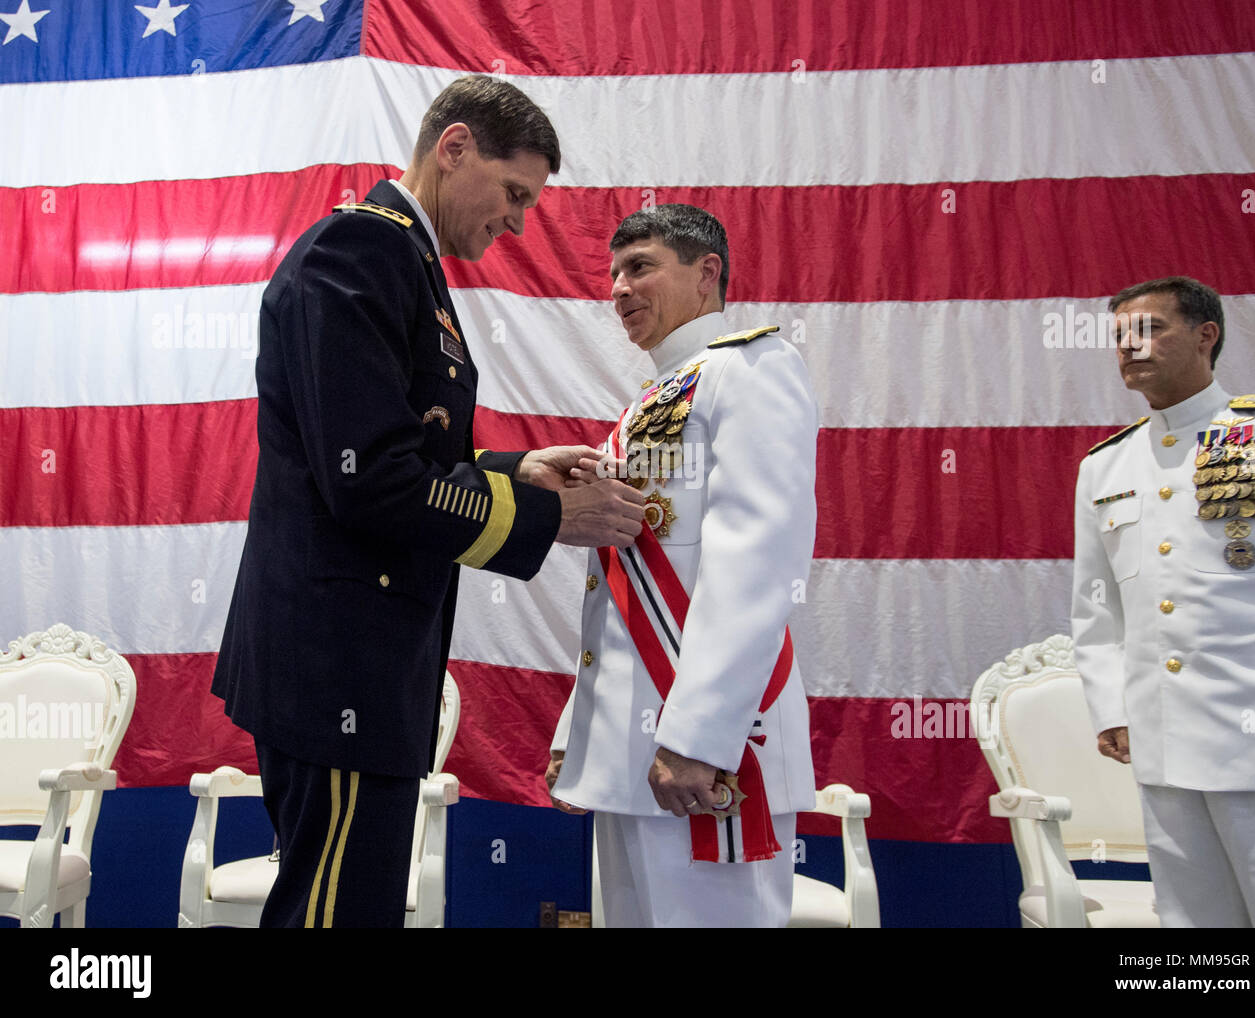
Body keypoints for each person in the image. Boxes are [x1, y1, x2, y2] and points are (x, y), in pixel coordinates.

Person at [212, 75, 644, 928]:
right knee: (334, 914)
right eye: (514, 193)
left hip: (361, 664)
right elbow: (368, 479)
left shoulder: (403, 261)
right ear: (453, 149)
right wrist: (554, 519)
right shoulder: (362, 253)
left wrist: (513, 472)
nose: (519, 221)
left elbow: (390, 445)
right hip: (338, 663)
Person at [544, 204, 818, 927]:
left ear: (707, 274)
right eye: (612, 274)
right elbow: (618, 585)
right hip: (635, 749)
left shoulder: (751, 371)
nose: (619, 290)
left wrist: (699, 737)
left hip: (708, 749)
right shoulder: (654, 400)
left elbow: (754, 564)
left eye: (640, 268)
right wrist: (580, 727)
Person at [1071, 275, 1255, 927]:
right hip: (1162, 737)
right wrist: (1112, 705)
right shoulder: (1106, 467)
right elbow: (1097, 603)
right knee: (1193, 923)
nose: (1130, 347)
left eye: (1149, 329)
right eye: (1119, 337)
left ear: (1207, 336)